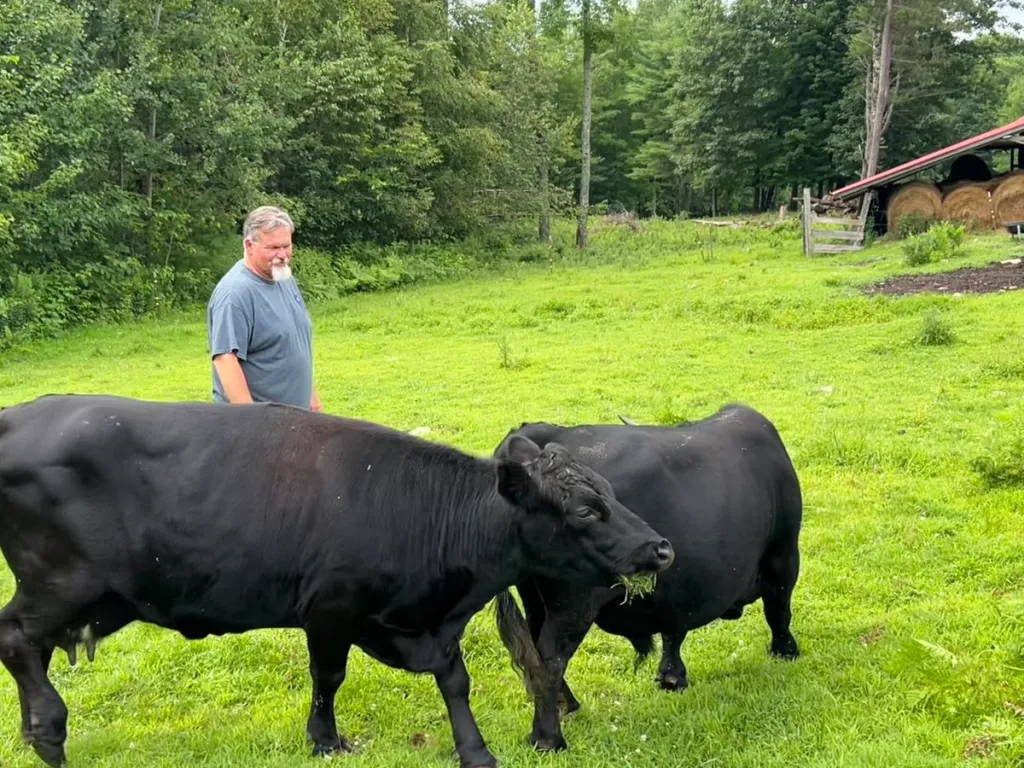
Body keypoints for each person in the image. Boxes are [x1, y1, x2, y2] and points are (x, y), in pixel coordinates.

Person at [206, 205, 322, 412]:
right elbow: (225, 360)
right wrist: (252, 422)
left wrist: (311, 397)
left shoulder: (283, 277)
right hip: (263, 428)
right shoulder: (235, 293)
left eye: (286, 246)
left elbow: (296, 344)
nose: (282, 255)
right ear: (249, 245)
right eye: (273, 248)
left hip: (296, 419)